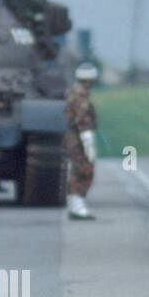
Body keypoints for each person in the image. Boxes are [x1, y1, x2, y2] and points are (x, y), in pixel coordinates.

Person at [64, 62, 100, 220]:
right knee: (85, 170)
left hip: (73, 136)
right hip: (78, 136)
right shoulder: (81, 94)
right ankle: (78, 205)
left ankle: (75, 205)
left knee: (78, 170)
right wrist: (88, 141)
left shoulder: (75, 90)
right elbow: (83, 118)